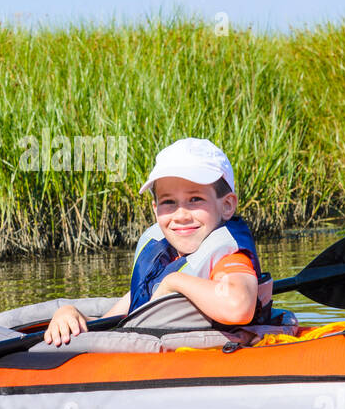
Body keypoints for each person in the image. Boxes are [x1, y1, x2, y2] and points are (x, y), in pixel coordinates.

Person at [44, 137, 265, 346]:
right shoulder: (164, 261)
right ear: (155, 209)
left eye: (195, 199)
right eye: (169, 202)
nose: (181, 215)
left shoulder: (229, 258)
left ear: (227, 205)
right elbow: (117, 321)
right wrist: (70, 313)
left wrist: (174, 280)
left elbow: (238, 307)